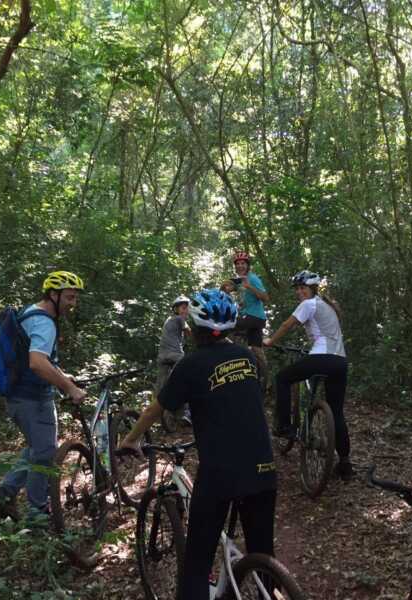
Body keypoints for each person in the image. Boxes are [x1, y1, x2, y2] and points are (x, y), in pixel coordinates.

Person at [119, 288, 276, 600]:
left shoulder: (190, 365)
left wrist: (130, 439)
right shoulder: (246, 356)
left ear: (192, 330)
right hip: (264, 466)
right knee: (263, 553)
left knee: (196, 560)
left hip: (220, 474)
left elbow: (156, 408)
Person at [0, 271, 87, 523]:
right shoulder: (44, 322)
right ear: (53, 295)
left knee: (37, 447)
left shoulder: (31, 312)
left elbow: (41, 359)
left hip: (19, 396)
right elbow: (37, 363)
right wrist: (70, 388)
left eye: (75, 298)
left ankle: (5, 491)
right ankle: (38, 513)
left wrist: (64, 377)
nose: (72, 303)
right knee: (45, 453)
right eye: (69, 297)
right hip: (32, 399)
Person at [262, 270, 352, 481]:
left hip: (322, 357)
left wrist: (270, 341)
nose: (300, 292)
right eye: (298, 289)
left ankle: (284, 425)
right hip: (340, 361)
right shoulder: (327, 305)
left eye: (303, 288)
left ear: (312, 289)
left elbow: (287, 324)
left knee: (282, 378)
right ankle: (345, 463)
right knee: (337, 413)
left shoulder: (309, 304)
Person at [222, 250, 270, 390]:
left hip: (253, 317)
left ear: (248, 266)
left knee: (226, 327)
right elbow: (229, 288)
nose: (240, 266)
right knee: (256, 348)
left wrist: (249, 286)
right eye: (237, 264)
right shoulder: (239, 280)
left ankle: (229, 357)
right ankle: (262, 381)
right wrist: (226, 289)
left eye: (243, 263)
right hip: (255, 319)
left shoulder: (252, 278)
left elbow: (265, 298)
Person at [157, 294, 192, 428]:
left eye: (186, 309)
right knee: (185, 380)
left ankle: (161, 417)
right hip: (175, 355)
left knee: (161, 387)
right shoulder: (179, 319)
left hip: (162, 356)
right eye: (183, 308)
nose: (185, 311)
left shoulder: (169, 320)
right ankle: (186, 413)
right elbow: (191, 334)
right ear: (176, 309)